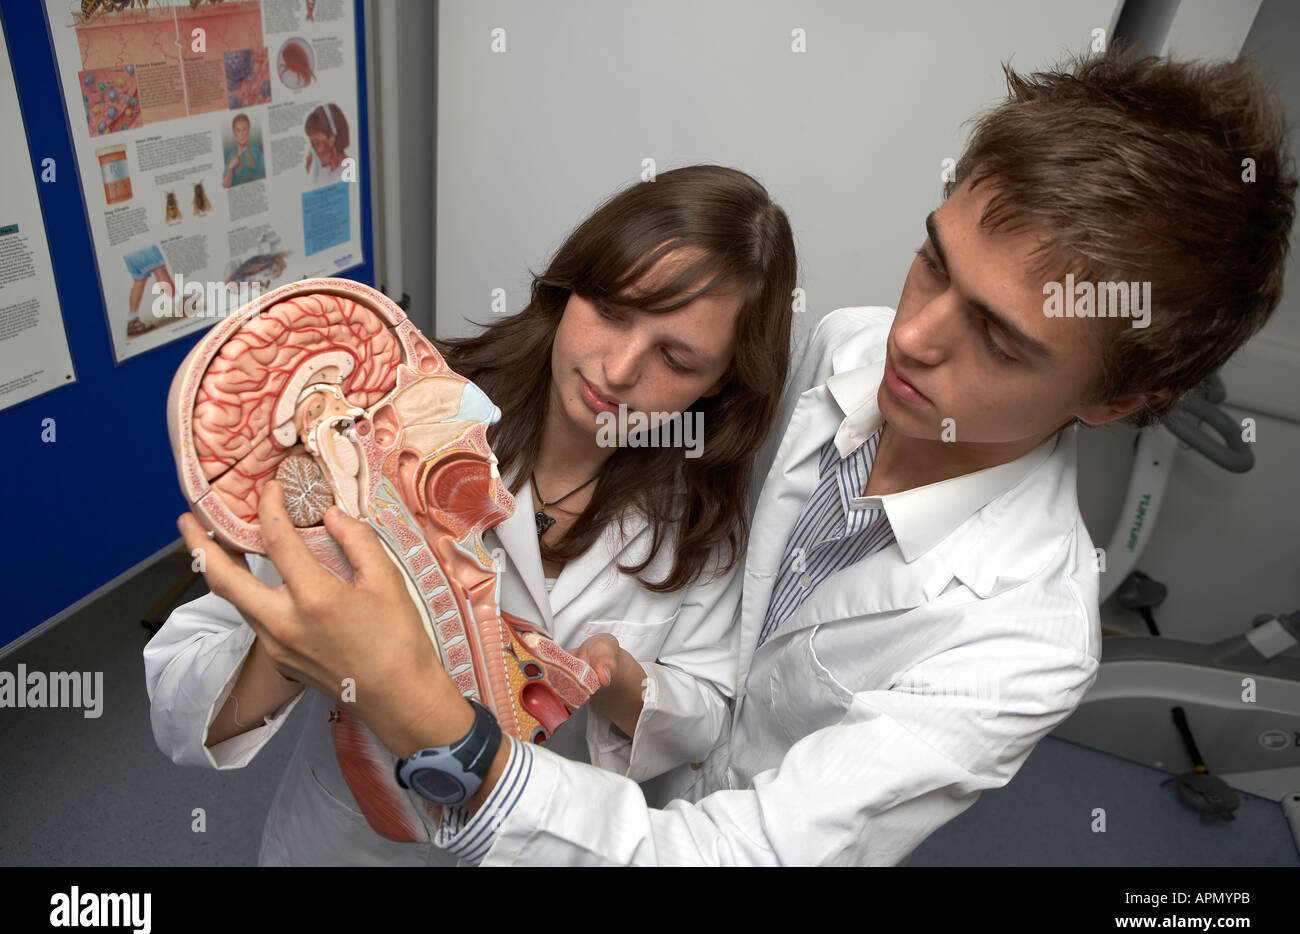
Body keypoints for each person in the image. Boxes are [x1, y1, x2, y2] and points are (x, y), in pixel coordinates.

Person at [181, 48, 1297, 866]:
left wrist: (442, 724)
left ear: (1121, 395)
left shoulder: (1019, 641)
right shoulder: (847, 351)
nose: (913, 336)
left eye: (999, 337)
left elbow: (739, 842)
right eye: (930, 260)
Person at [147, 165, 798, 865]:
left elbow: (704, 713)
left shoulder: (699, 528)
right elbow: (177, 698)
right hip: (351, 842)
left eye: (675, 357)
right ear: (571, 284)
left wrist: (621, 681)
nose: (617, 369)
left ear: (722, 382)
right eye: (612, 311)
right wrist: (295, 653)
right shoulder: (390, 420)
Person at [304, 104, 349, 186]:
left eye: (316, 143)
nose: (312, 150)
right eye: (311, 144)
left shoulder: (348, 172)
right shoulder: (326, 173)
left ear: (331, 140)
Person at [221, 113, 264, 189]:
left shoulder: (257, 153)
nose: (242, 134)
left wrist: (254, 167)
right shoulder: (230, 157)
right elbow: (225, 185)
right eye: (238, 130)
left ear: (249, 130)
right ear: (234, 133)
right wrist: (230, 168)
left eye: (244, 129)